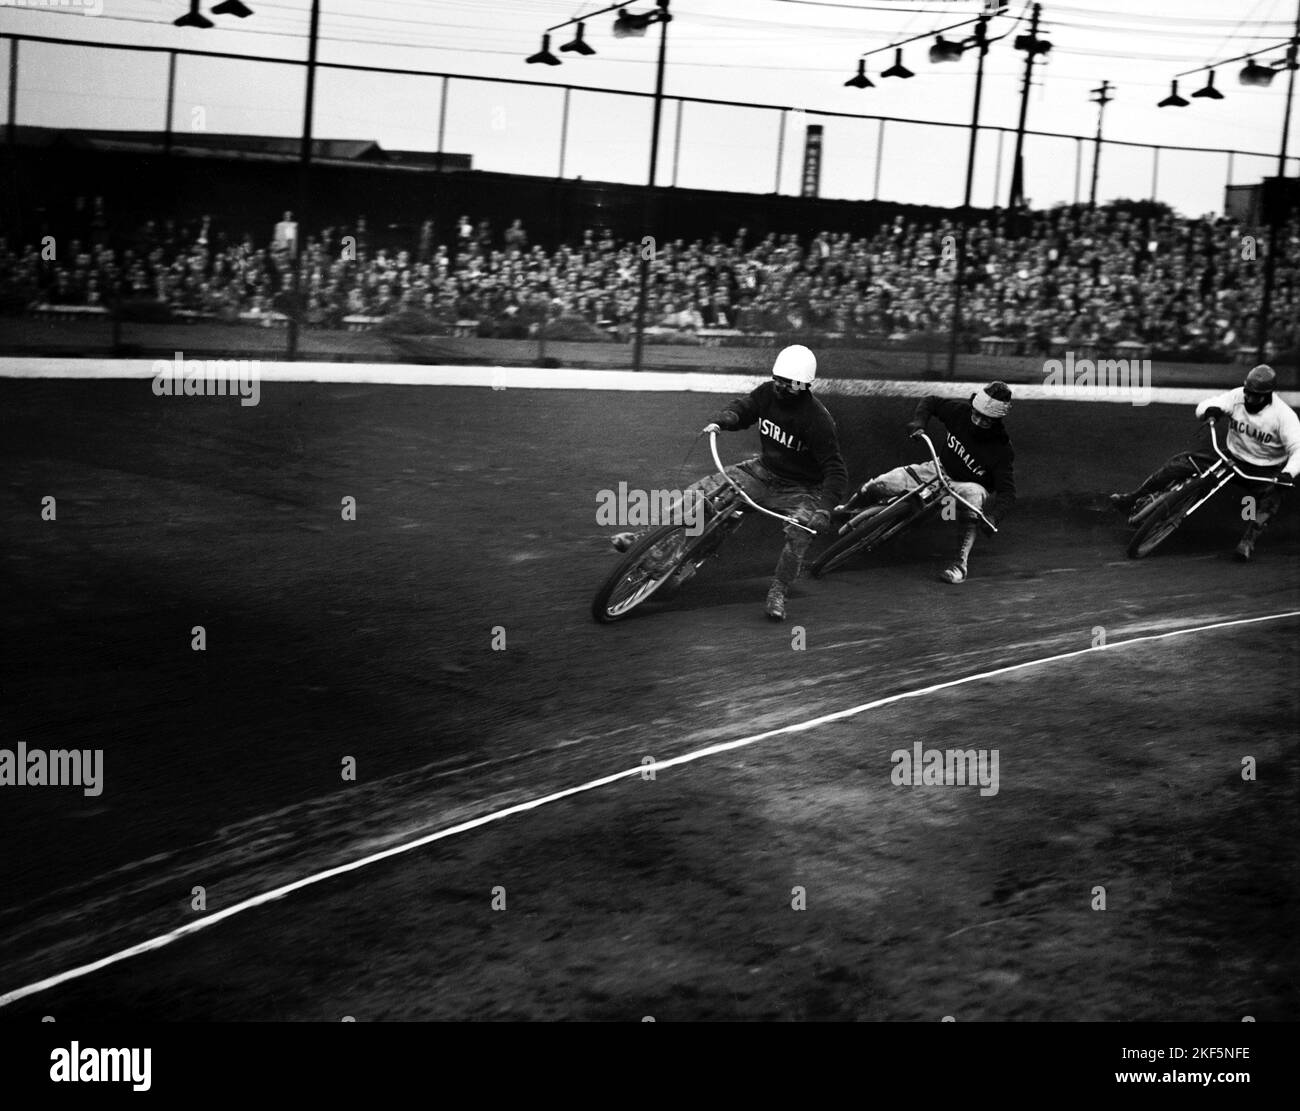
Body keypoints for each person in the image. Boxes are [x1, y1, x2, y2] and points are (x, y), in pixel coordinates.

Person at [610, 344, 847, 621]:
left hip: (801, 488)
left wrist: (824, 509)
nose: (781, 389)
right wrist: (725, 419)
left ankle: (778, 591)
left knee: (800, 533)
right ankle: (645, 541)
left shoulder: (818, 421)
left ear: (805, 385)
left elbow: (835, 469)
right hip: (763, 472)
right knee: (700, 494)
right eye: (778, 381)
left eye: (789, 385)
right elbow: (745, 408)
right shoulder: (766, 394)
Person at [1109, 364, 1299, 560]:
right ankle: (1132, 498)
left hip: (1263, 469)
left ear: (1268, 395)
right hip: (1230, 456)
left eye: (1256, 396)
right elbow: (1207, 405)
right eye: (1248, 393)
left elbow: (1298, 449)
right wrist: (1211, 411)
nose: (1249, 399)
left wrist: (1288, 473)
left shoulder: (1284, 417)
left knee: (1271, 498)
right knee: (1179, 464)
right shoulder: (1237, 397)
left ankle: (1248, 541)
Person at [835, 382, 1016, 583]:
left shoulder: (1001, 448)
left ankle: (960, 565)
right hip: (937, 469)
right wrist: (919, 423)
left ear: (997, 419)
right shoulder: (960, 412)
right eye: (976, 414)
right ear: (972, 406)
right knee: (883, 483)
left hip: (962, 488)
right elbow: (931, 401)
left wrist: (994, 517)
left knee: (974, 496)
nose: (978, 421)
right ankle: (847, 509)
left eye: (986, 420)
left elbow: (1008, 492)